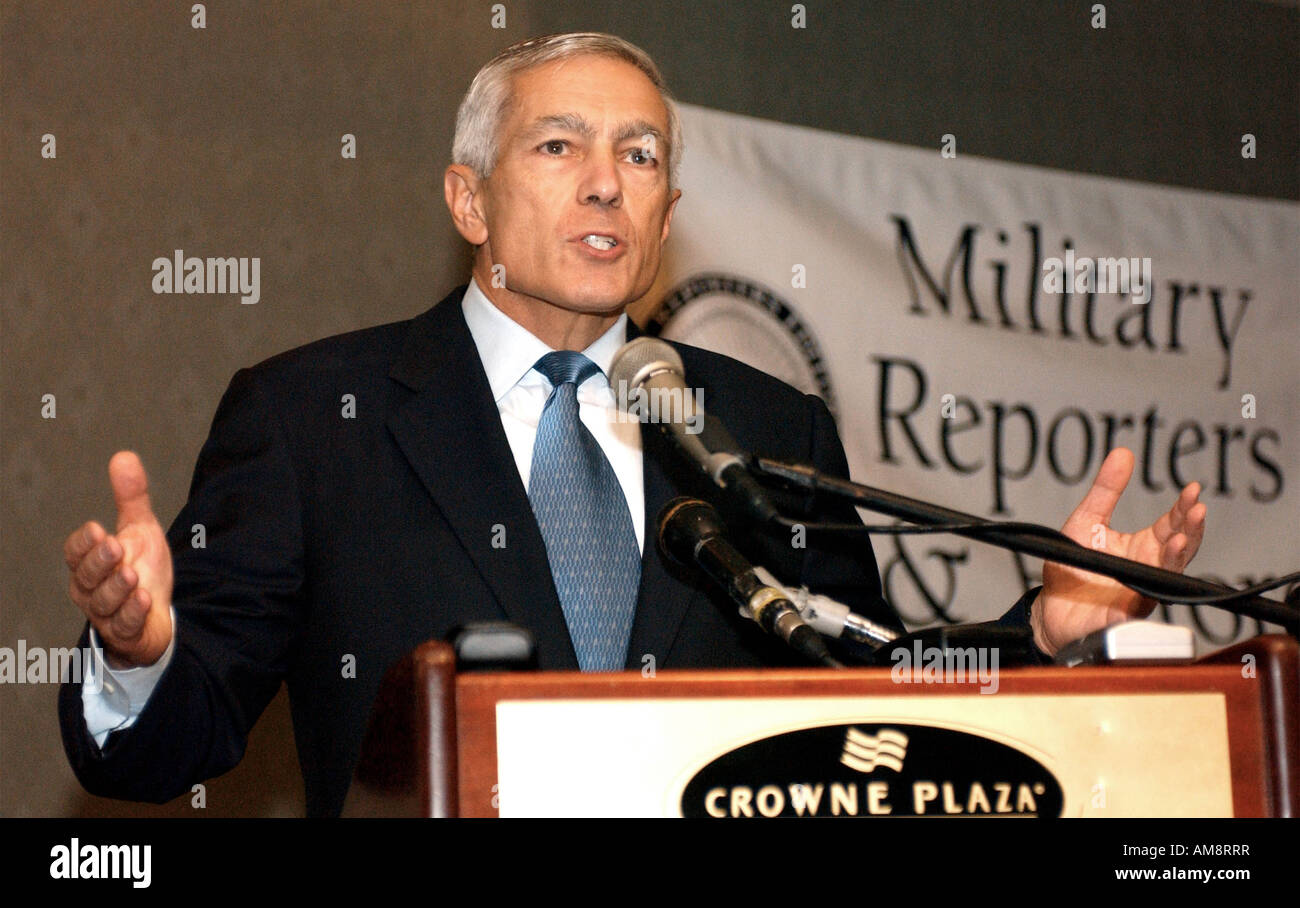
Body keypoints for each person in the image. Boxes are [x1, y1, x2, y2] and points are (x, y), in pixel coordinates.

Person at [59, 33, 1207, 817]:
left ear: (666, 214)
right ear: (468, 199)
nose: (606, 183)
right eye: (559, 146)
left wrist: (1043, 633)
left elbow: (871, 687)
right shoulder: (314, 416)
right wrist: (141, 651)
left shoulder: (765, 425)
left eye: (640, 155)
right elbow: (171, 745)